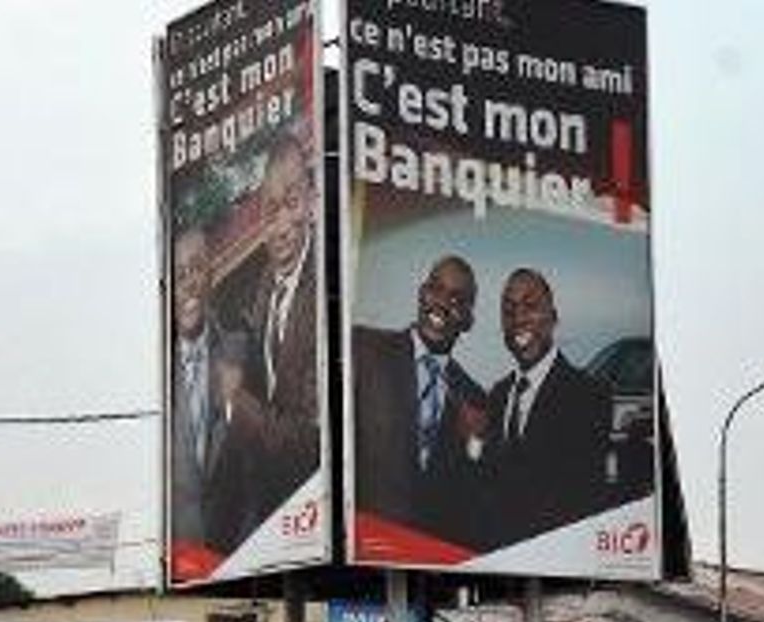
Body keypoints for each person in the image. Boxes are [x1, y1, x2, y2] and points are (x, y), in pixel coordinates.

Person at [352, 255, 492, 547]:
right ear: (421, 292)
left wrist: (475, 445)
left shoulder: (473, 396)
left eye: (456, 299)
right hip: (364, 550)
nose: (441, 302)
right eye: (435, 288)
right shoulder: (363, 349)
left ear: (468, 319)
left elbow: (471, 498)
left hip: (428, 560)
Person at [222, 133, 323, 521]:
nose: (280, 225)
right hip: (274, 510)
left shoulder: (326, 291)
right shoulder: (265, 282)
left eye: (292, 203)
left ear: (313, 204)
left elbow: (310, 443)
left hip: (319, 503)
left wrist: (236, 400)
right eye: (270, 210)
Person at [480, 268, 612, 547]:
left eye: (530, 306)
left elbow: (582, 498)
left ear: (553, 318)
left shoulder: (588, 395)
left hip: (556, 560)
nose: (518, 318)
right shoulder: (498, 395)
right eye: (508, 310)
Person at [170, 224, 259, 560]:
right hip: (176, 564)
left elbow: (257, 466)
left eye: (196, 268)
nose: (189, 283)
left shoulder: (242, 350)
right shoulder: (152, 370)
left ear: (211, 273)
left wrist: (248, 555)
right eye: (179, 275)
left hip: (238, 558)